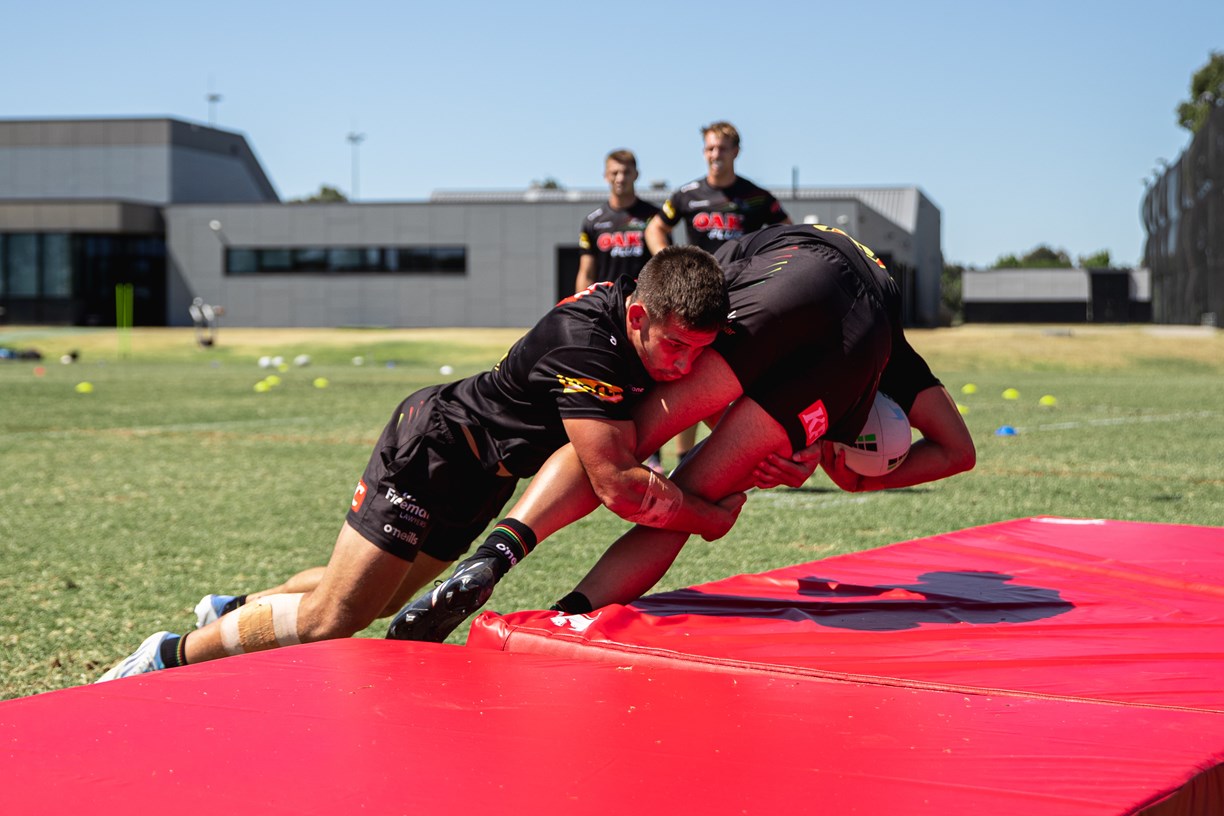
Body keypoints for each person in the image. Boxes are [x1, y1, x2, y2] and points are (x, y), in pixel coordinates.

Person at [97, 245, 739, 681]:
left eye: (697, 351)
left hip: (486, 475)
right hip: (433, 449)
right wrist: (708, 513)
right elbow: (616, 485)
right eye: (676, 347)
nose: (683, 365)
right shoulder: (590, 348)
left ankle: (235, 605)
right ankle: (167, 656)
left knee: (377, 600)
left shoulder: (641, 316)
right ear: (637, 315)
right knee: (336, 619)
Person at [387, 222, 975, 640]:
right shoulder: (887, 351)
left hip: (795, 275)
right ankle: (567, 616)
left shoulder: (778, 252)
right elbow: (959, 451)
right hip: (854, 343)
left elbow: (692, 294)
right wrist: (850, 479)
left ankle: (496, 554)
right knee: (700, 492)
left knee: (624, 442)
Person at [645, 120, 792, 462]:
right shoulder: (687, 194)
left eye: (722, 148)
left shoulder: (756, 197)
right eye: (710, 148)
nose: (715, 155)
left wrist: (770, 271)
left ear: (736, 152)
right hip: (697, 298)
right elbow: (656, 228)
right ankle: (683, 458)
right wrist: (669, 262)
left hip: (743, 295)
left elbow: (789, 232)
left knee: (743, 377)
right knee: (690, 374)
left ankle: (749, 453)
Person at [574, 149, 662, 292]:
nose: (620, 178)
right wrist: (582, 308)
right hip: (606, 305)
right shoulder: (592, 222)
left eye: (626, 172)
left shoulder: (655, 217)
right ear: (605, 176)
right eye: (614, 173)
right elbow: (586, 273)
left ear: (636, 174)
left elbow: (664, 265)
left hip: (644, 303)